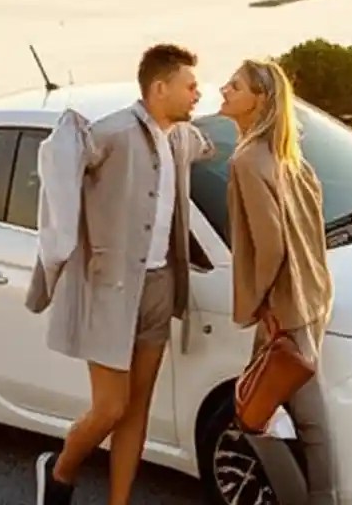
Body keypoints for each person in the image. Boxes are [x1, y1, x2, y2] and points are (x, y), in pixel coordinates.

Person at [26, 43, 212, 505]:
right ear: (159, 87)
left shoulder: (181, 139)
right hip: (111, 289)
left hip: (160, 286)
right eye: (190, 86)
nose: (198, 94)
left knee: (137, 409)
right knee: (111, 407)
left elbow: (221, 144)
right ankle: (61, 469)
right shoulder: (111, 133)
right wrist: (59, 247)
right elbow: (60, 163)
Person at [218, 58, 337, 504]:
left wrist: (256, 305)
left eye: (235, 86)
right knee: (310, 420)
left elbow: (270, 247)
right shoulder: (290, 156)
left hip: (283, 309)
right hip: (313, 298)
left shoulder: (248, 160)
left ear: (259, 100)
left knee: (255, 415)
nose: (224, 91)